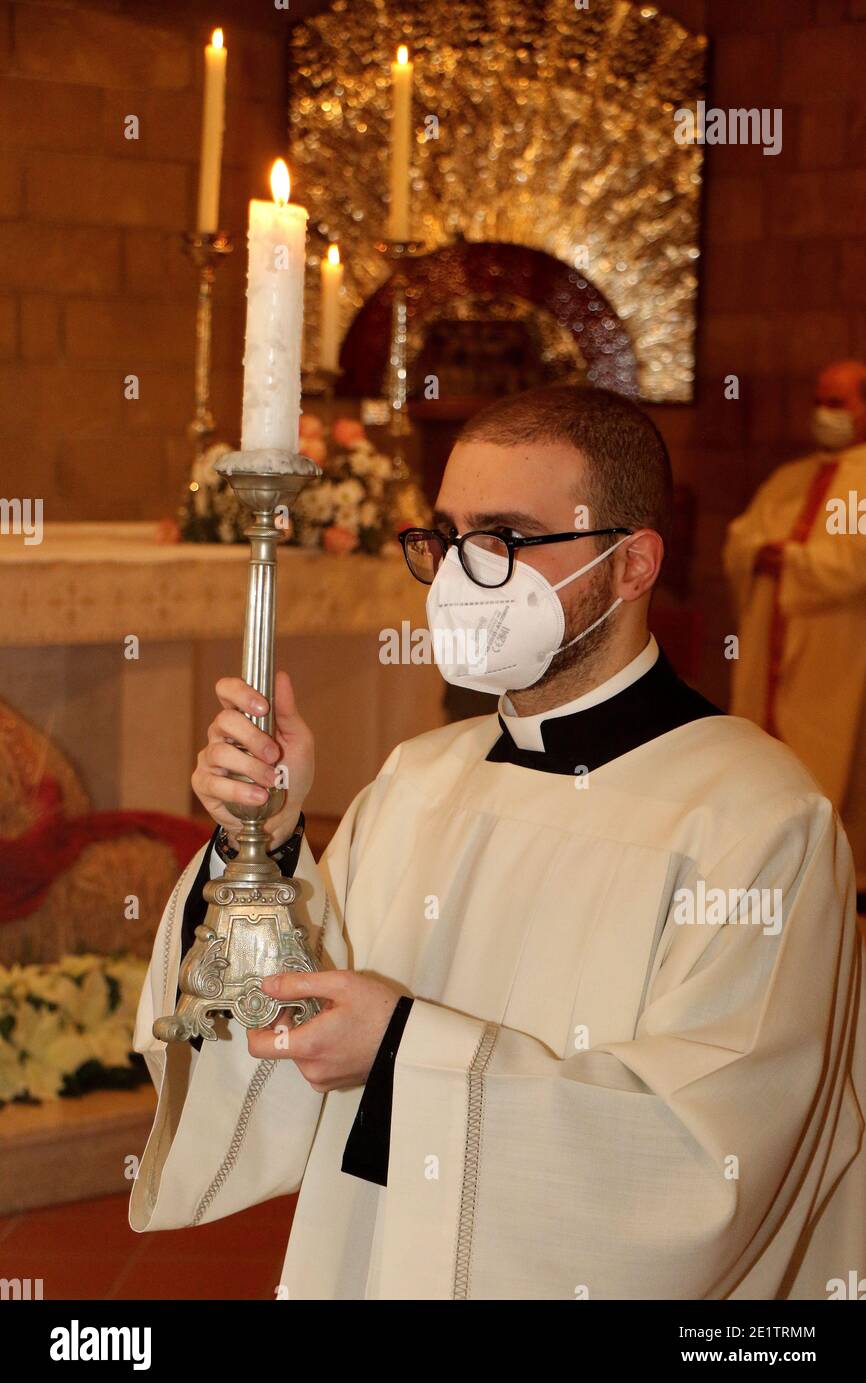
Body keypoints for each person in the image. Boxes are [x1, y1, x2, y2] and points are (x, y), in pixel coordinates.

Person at [130, 385, 865, 1300]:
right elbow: (268, 1037)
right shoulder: (417, 779)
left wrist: (401, 1051)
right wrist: (268, 849)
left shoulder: (757, 820)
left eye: (505, 539)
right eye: (447, 537)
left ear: (632, 565)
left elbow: (707, 1156)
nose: (458, 575)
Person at [724, 360, 866, 915]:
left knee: (836, 761)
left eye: (838, 402)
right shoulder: (789, 478)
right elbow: (741, 540)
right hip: (771, 640)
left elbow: (853, 565)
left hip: (837, 650)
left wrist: (792, 559)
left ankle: (836, 884)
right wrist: (764, 554)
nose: (824, 414)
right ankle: (770, 870)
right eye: (820, 400)